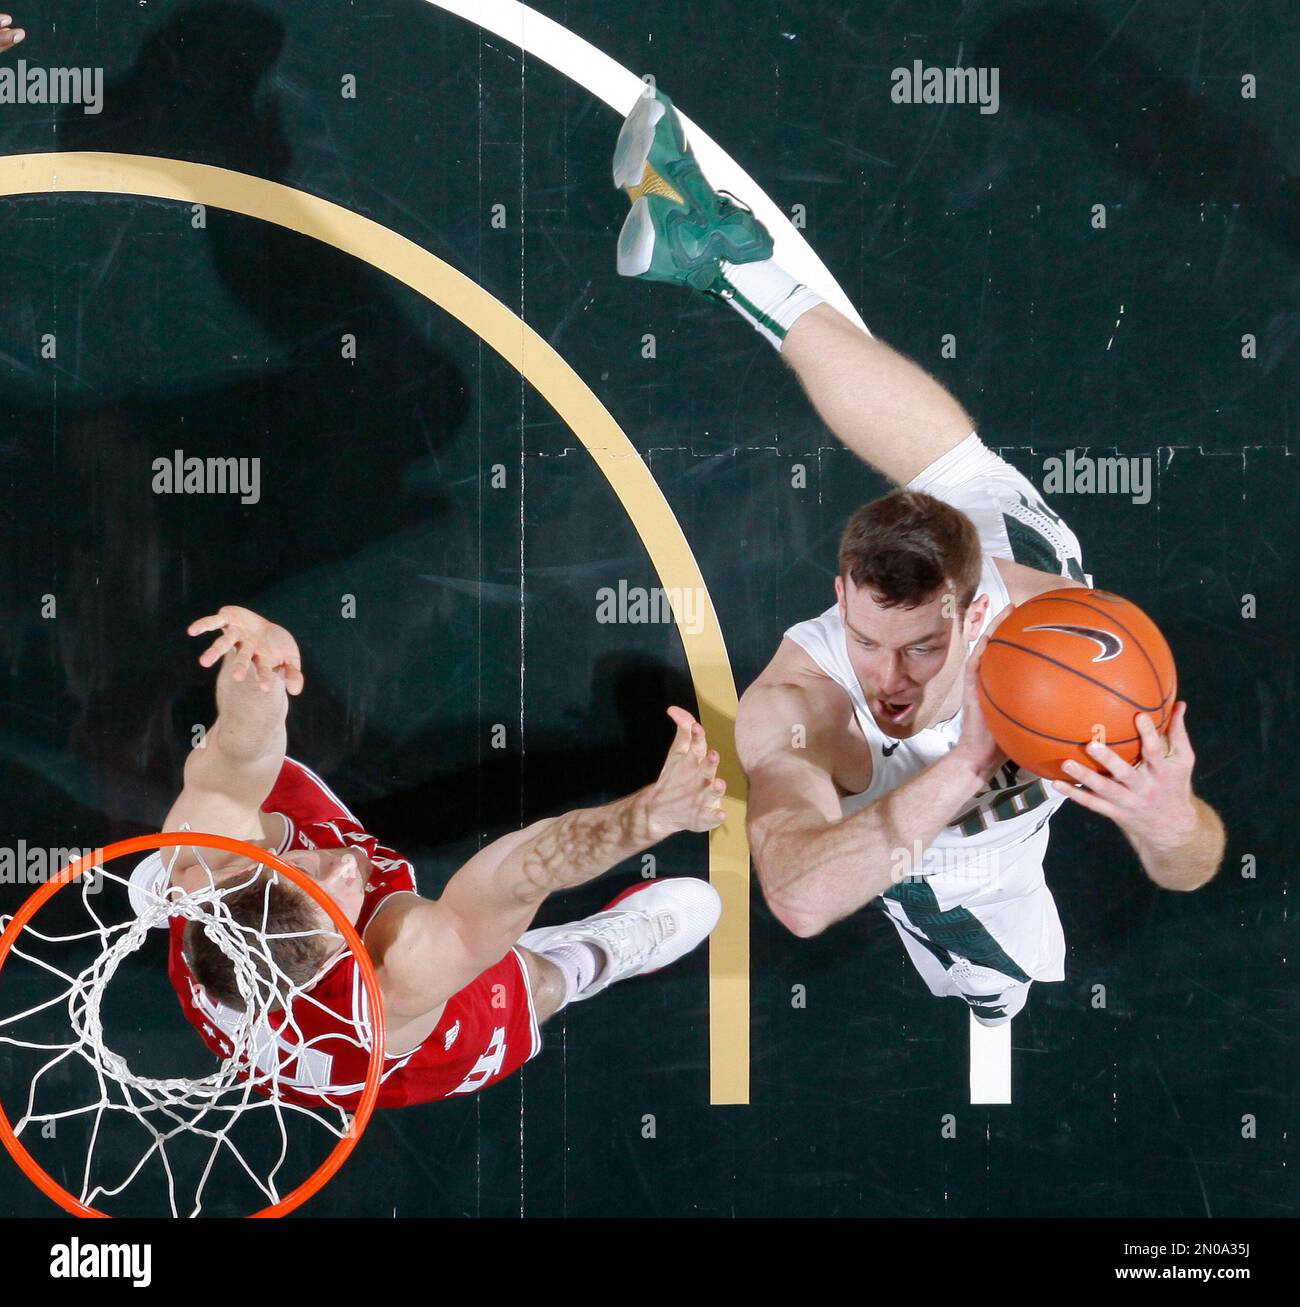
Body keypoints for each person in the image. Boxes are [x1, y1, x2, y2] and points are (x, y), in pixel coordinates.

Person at [612, 88, 1224, 1025]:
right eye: (866, 640)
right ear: (839, 600)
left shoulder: (1054, 632)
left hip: (1002, 683)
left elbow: (1192, 867)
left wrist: (1167, 817)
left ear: (974, 615)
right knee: (992, 968)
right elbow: (802, 895)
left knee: (965, 474)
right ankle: (727, 264)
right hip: (945, 862)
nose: (887, 677)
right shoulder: (800, 704)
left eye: (920, 649)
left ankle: (720, 262)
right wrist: (969, 755)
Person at [129, 605, 724, 1107]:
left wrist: (258, 673)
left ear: (242, 871)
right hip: (370, 1053)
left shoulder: (206, 866)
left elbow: (237, 753)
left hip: (234, 995)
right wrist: (651, 816)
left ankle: (181, 899)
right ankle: (591, 957)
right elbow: (530, 869)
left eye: (304, 869)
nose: (340, 865)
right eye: (334, 902)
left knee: (216, 800)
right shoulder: (400, 973)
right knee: (522, 983)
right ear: (343, 949)